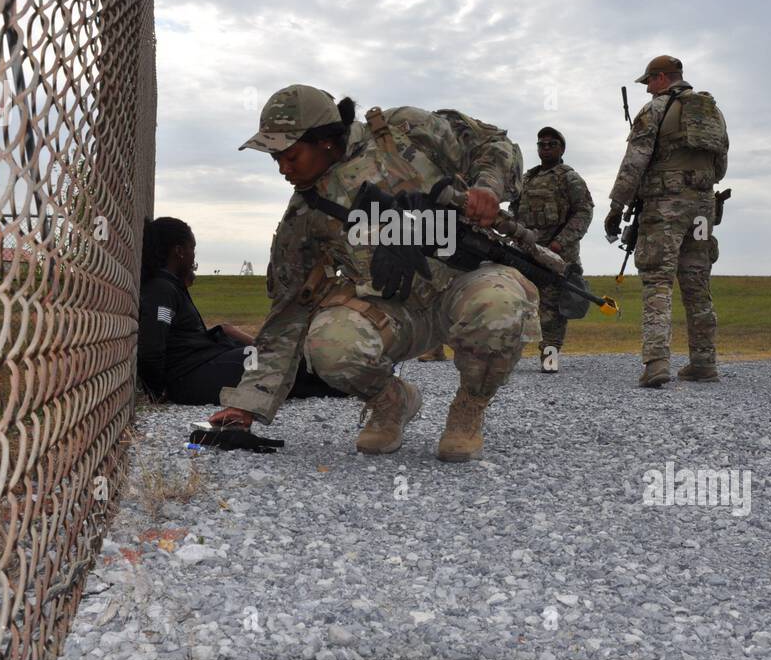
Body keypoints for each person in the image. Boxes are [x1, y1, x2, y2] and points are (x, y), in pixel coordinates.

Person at [207, 84, 540, 462]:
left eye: (291, 155)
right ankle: (391, 402)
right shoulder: (305, 215)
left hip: (462, 287)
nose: (283, 169)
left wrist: (487, 188)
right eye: (276, 159)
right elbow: (287, 315)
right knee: (329, 343)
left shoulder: (405, 129)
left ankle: (468, 409)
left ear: (325, 141)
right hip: (394, 315)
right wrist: (245, 406)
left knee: (499, 304)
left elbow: (496, 145)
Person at [604, 55, 728, 387]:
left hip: (665, 207)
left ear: (661, 78)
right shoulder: (711, 111)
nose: (647, 90)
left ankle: (657, 363)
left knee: (658, 280)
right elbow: (721, 166)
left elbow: (635, 161)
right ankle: (704, 362)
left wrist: (616, 206)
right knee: (697, 282)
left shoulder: (656, 110)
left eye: (648, 83)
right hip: (702, 207)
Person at [138, 217, 345, 405]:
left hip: (198, 368)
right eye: (192, 249)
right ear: (179, 251)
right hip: (191, 376)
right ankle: (341, 384)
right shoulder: (161, 289)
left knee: (276, 359)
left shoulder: (169, 286)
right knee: (273, 361)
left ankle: (334, 384)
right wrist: (158, 391)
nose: (194, 257)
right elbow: (151, 348)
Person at [509, 126, 594, 371]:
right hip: (526, 250)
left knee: (553, 309)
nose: (545, 148)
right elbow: (515, 209)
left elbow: (584, 212)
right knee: (519, 300)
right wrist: (516, 233)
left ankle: (549, 357)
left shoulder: (569, 178)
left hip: (558, 254)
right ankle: (509, 354)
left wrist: (561, 242)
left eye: (551, 144)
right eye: (541, 144)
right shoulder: (527, 179)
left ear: (561, 149)